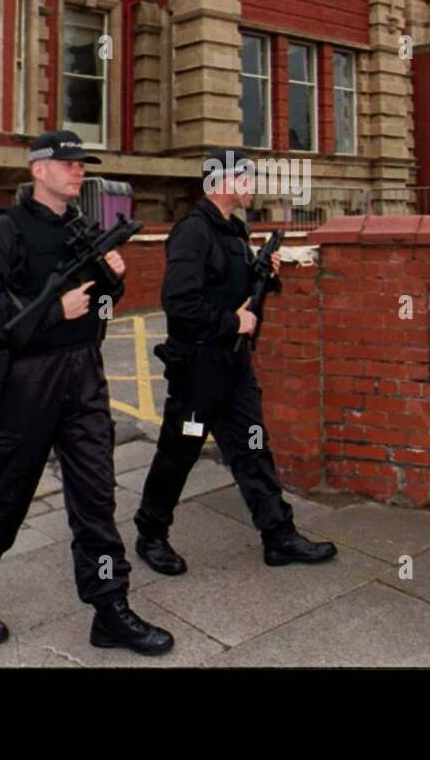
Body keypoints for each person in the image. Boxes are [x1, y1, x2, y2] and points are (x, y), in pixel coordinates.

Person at [0, 130, 173, 656]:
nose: (78, 171)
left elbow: (97, 307)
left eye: (81, 164)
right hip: (28, 380)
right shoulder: (5, 230)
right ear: (38, 170)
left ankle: (109, 608)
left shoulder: (81, 225)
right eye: (67, 163)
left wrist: (111, 283)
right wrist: (53, 311)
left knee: (96, 496)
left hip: (84, 375)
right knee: (5, 497)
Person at [134, 148, 336, 573]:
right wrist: (231, 322)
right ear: (226, 182)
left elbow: (234, 289)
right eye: (248, 178)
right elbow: (178, 301)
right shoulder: (193, 232)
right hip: (198, 371)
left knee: (253, 448)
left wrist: (265, 274)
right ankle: (151, 534)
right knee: (179, 452)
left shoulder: (232, 230)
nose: (253, 187)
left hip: (234, 368)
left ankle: (279, 536)